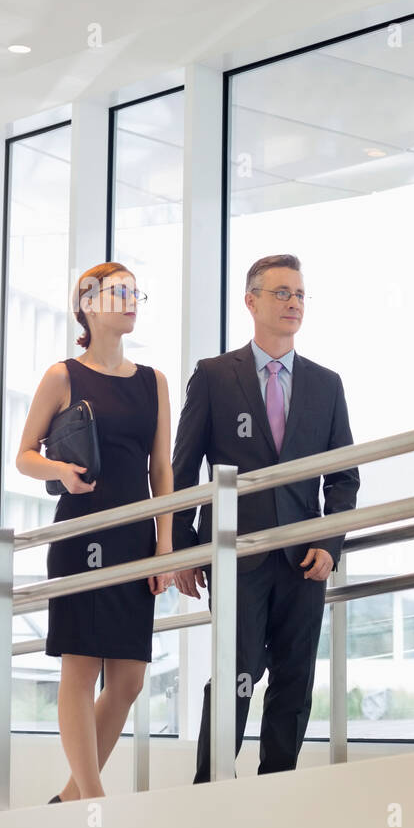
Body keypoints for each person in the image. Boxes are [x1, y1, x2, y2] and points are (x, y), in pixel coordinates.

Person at [171, 253, 359, 781]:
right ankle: (209, 789)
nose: (293, 303)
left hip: (304, 557)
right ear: (251, 301)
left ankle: (277, 788)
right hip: (236, 555)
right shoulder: (213, 376)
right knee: (235, 672)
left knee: (295, 681)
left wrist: (331, 541)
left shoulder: (327, 385)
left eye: (300, 294)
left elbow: (342, 476)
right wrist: (185, 549)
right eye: (281, 293)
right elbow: (183, 469)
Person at [14, 262, 175, 803]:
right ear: (87, 303)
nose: (132, 300)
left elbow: (162, 472)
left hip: (134, 538)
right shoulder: (62, 376)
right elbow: (24, 456)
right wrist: (59, 472)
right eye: (119, 292)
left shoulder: (154, 382)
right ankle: (94, 799)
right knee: (81, 670)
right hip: (81, 534)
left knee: (127, 679)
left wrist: (165, 545)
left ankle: (70, 797)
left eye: (136, 292)